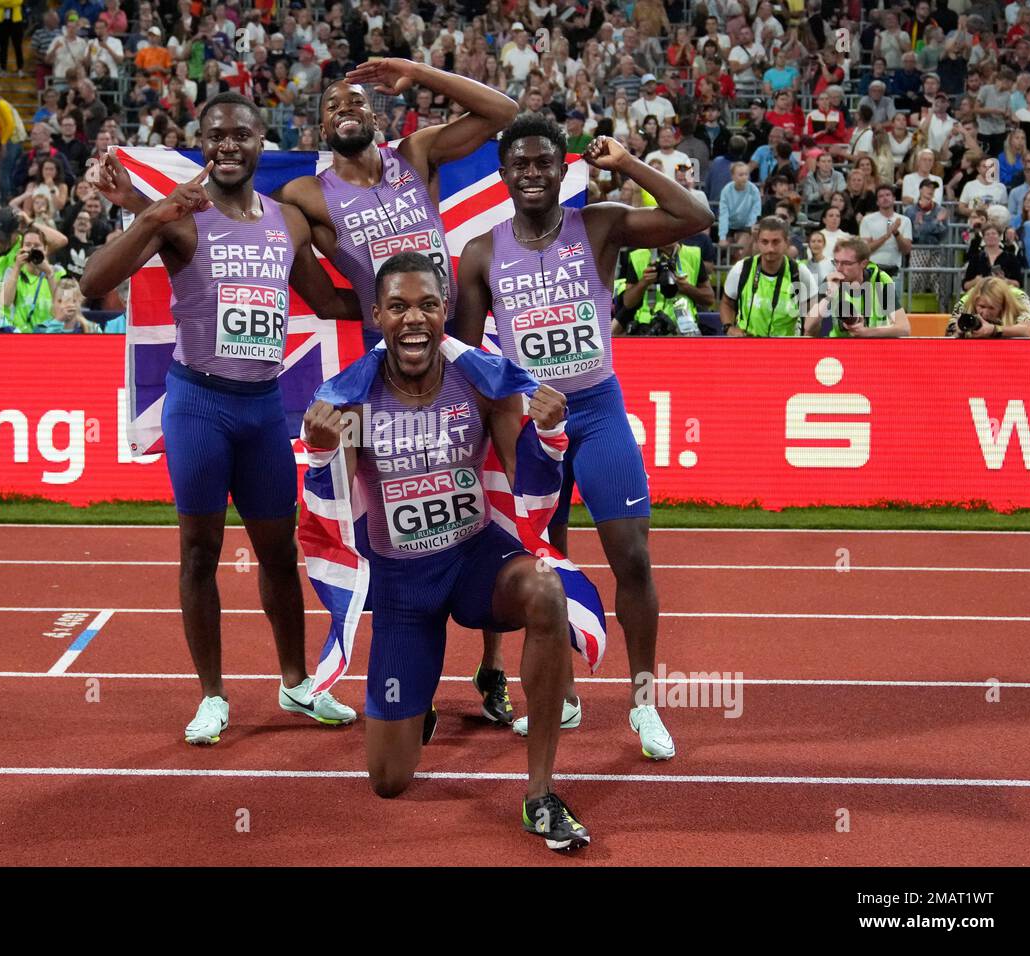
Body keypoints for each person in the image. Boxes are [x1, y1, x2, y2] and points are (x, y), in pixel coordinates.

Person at [81, 92, 364, 745]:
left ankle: (298, 684)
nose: (230, 145)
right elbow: (97, 281)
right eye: (217, 136)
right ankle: (212, 695)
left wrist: (404, 301)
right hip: (199, 406)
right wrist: (149, 217)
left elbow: (326, 299)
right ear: (204, 142)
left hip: (262, 409)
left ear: (261, 141)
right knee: (200, 550)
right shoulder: (180, 220)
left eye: (241, 134)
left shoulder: (288, 222)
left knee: (277, 552)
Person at [302, 252, 590, 850]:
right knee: (387, 780)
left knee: (545, 590)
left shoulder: (484, 384)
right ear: (377, 315)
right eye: (400, 306)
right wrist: (322, 448)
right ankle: (418, 696)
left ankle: (540, 793)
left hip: (474, 560)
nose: (415, 319)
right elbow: (330, 504)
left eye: (428, 305)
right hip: (404, 588)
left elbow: (527, 484)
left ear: (445, 313)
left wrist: (548, 433)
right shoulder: (350, 401)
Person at [274, 60, 520, 721]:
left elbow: (504, 111)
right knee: (379, 517)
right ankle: (406, 679)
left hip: (459, 362)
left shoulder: (415, 154)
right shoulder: (309, 193)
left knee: (487, 502)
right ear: (321, 126)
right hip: (379, 381)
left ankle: (492, 671)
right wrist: (348, 301)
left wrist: (416, 71)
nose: (344, 109)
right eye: (331, 105)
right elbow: (305, 275)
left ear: (377, 116)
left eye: (355, 101)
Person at [456, 118, 712, 748]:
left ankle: (645, 701)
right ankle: (562, 697)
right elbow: (466, 357)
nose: (534, 172)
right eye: (521, 163)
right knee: (548, 564)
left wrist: (626, 163)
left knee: (632, 556)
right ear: (503, 173)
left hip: (596, 412)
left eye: (546, 161)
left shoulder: (598, 224)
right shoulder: (483, 253)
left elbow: (695, 215)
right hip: (533, 426)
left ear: (562, 169)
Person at [720, 216, 820, 337]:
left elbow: (813, 317)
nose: (770, 248)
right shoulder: (741, 269)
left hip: (787, 350)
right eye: (765, 242)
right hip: (747, 347)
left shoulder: (800, 273)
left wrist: (808, 334)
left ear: (787, 242)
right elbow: (727, 303)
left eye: (776, 242)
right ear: (757, 242)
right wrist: (729, 327)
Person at [804, 237, 910, 337]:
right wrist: (828, 295)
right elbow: (808, 327)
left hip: (874, 344)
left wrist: (866, 332)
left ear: (863, 263)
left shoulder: (879, 279)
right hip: (840, 346)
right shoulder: (831, 280)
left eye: (846, 263)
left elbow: (904, 328)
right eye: (836, 262)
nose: (839, 268)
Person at [947, 276, 1030, 337]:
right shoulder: (964, 303)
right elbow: (948, 337)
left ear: (1002, 305)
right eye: (981, 306)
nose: (985, 313)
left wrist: (994, 330)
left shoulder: (1019, 298)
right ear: (975, 301)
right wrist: (959, 332)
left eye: (991, 308)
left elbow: (1026, 330)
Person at [858, 183, 913, 278]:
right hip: (872, 270)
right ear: (877, 202)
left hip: (894, 271)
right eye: (881, 196)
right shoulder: (867, 220)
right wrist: (886, 236)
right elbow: (866, 249)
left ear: (894, 199)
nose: (885, 198)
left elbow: (906, 250)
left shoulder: (904, 220)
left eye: (888, 195)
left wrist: (896, 233)